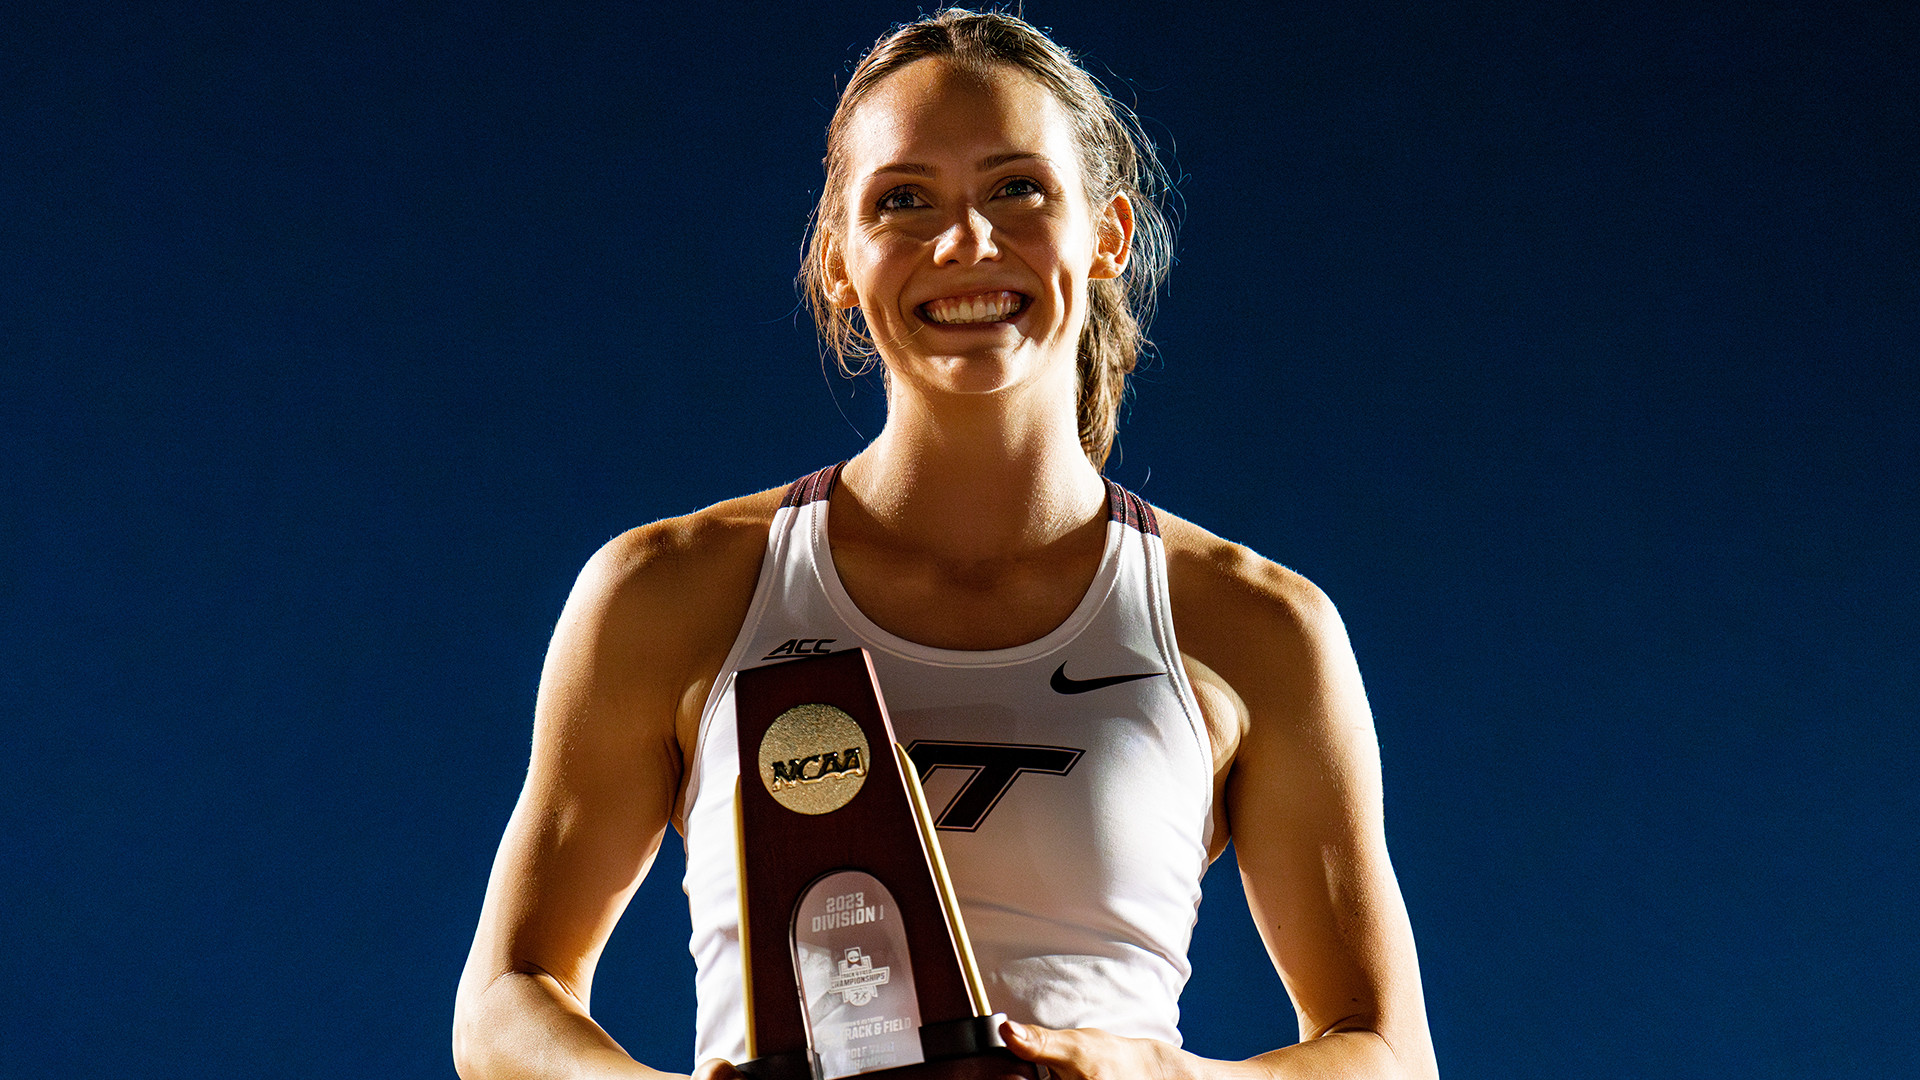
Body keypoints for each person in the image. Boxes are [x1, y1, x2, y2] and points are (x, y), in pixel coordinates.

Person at [453, 10, 1438, 1080]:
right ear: (837, 260)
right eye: (903, 200)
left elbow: (1384, 1053)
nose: (965, 243)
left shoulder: (1256, 627)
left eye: (1018, 189)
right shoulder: (670, 594)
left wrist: (1153, 1075)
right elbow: (506, 1001)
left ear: (1105, 233)